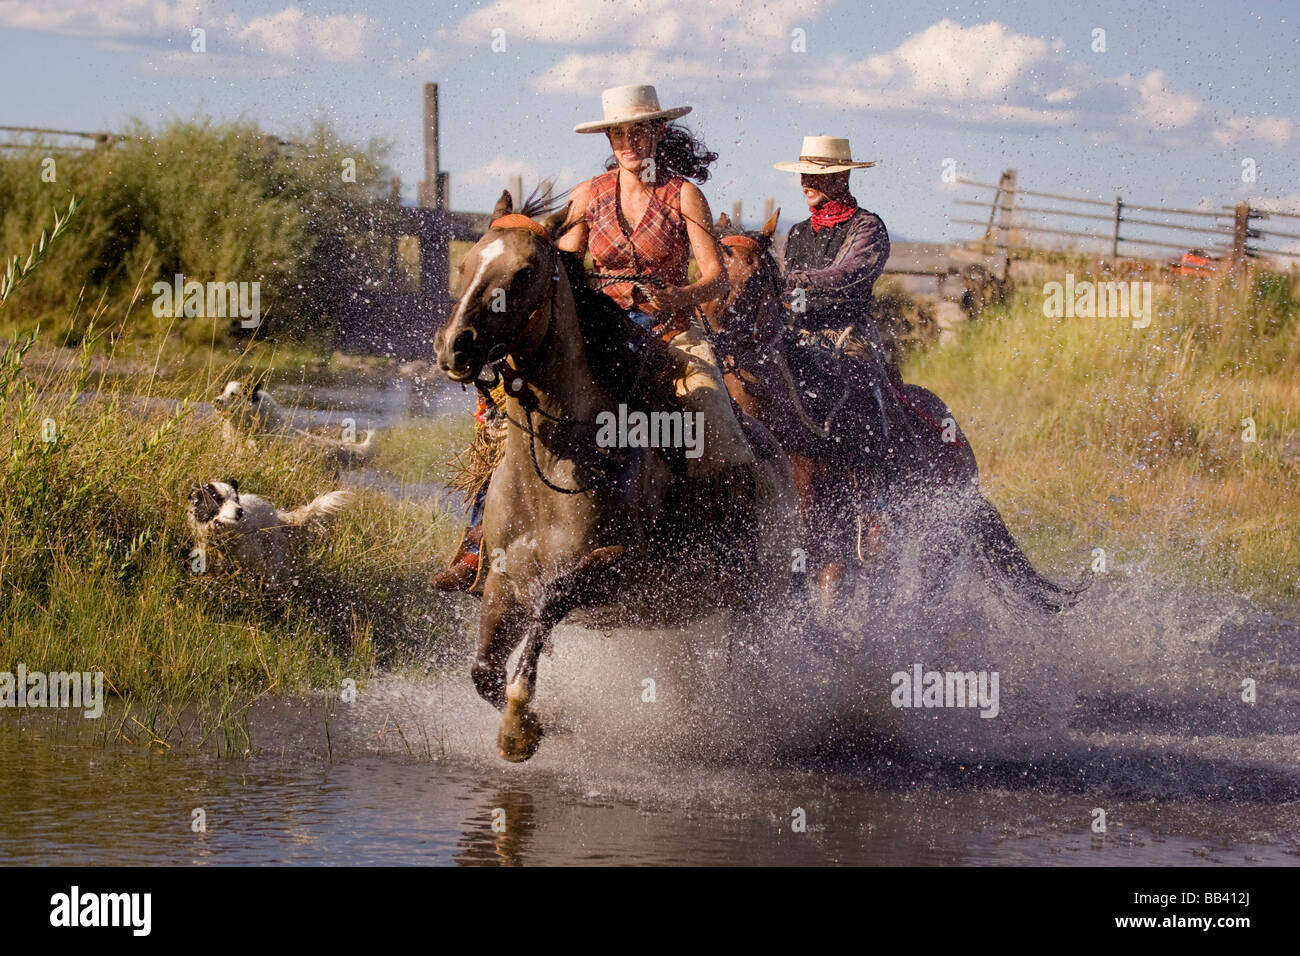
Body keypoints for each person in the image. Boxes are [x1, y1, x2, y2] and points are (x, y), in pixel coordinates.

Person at [433, 84, 751, 591]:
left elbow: (715, 276)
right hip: (602, 327)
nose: (629, 141)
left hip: (669, 332)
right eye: (618, 132)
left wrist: (678, 296)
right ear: (609, 137)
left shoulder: (683, 193)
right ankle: (479, 541)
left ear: (658, 132)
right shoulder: (588, 193)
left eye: (639, 130)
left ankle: (726, 547)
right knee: (502, 413)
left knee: (716, 423)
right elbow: (562, 266)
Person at [775, 135, 892, 364]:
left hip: (847, 334)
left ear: (840, 179)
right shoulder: (796, 231)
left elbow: (849, 273)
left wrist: (799, 280)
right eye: (804, 175)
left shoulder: (867, 226)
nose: (805, 183)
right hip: (796, 331)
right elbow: (784, 286)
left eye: (815, 176)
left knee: (860, 385)